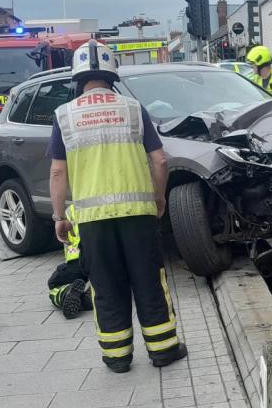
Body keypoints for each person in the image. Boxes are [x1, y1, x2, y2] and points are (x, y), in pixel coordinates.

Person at [48, 40, 186, 373]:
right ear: (112, 75)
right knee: (149, 282)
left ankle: (117, 357)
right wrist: (158, 197)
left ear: (78, 78)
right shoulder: (133, 109)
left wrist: (59, 216)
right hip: (139, 217)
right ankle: (164, 350)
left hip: (93, 223)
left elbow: (57, 171)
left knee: (106, 288)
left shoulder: (64, 116)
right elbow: (160, 160)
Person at [46, 204, 92, 319]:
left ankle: (66, 292)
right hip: (106, 261)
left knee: (54, 284)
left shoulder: (71, 210)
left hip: (77, 261)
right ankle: (95, 292)